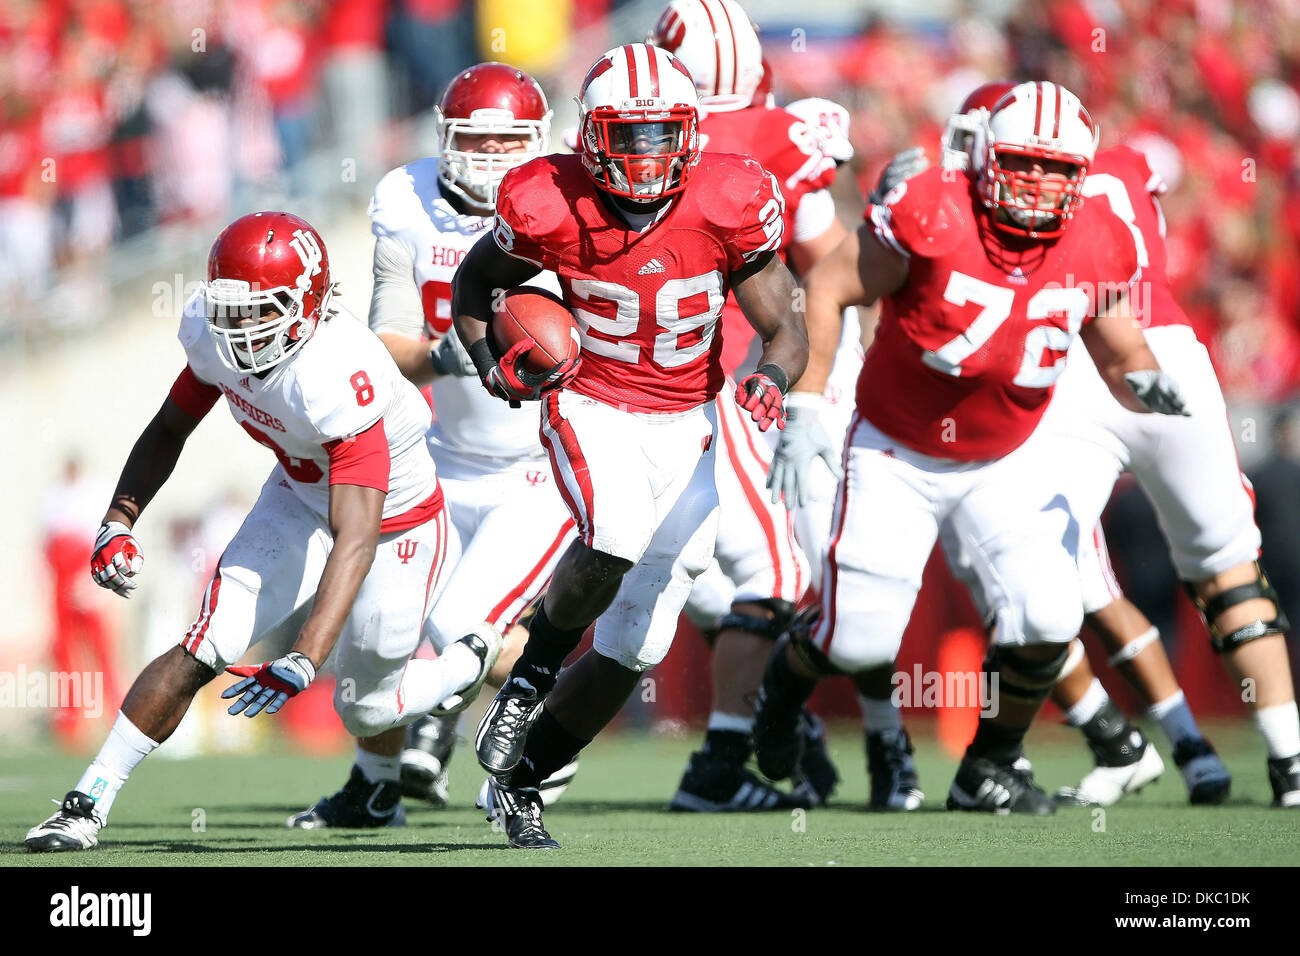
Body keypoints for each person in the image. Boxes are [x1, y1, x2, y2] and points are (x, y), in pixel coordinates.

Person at [757, 81, 1191, 814]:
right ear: (987, 155)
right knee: (857, 640)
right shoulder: (933, 208)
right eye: (1025, 162)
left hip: (1007, 455)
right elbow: (828, 288)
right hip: (897, 448)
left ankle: (987, 765)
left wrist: (1145, 380)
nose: (1040, 182)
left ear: (1081, 179)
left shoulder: (1097, 236)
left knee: (1049, 617)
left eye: (1059, 170)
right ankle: (781, 690)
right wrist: (804, 405)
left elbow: (1118, 348)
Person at [26, 211, 500, 852]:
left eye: (261, 310)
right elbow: (170, 428)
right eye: (231, 309)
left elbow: (355, 534)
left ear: (309, 303)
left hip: (398, 522)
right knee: (207, 641)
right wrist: (119, 519)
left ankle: (461, 665)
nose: (241, 328)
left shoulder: (337, 370)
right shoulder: (213, 334)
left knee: (363, 708)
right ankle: (88, 801)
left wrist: (305, 654)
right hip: (300, 496)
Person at [457, 43, 809, 848]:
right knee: (611, 533)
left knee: (637, 646)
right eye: (629, 135)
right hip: (592, 399)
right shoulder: (547, 198)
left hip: (689, 421)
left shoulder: (730, 195)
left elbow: (787, 320)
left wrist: (774, 379)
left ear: (691, 131)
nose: (647, 156)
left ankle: (520, 781)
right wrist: (488, 363)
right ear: (591, 135)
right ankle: (527, 682)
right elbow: (476, 286)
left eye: (662, 135)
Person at [937, 83, 1299, 808]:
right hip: (1167, 355)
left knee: (1041, 575)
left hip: (1068, 361)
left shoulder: (980, 192)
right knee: (1226, 569)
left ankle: (1017, 757)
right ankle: (1287, 762)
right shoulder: (1126, 165)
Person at [360, 62, 578, 816]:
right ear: (445, 139)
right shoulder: (405, 199)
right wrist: (442, 355)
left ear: (538, 143)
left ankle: (542, 741)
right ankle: (381, 778)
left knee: (460, 623)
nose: (490, 158)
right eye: (475, 141)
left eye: (506, 142)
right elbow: (383, 339)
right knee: (384, 616)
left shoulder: (571, 201)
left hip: (539, 463)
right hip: (447, 455)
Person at [648, 0, 843, 813]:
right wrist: (816, 389)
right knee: (784, 571)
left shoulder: (646, 132)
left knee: (681, 572)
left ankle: (759, 736)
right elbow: (830, 267)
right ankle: (729, 760)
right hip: (743, 372)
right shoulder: (785, 137)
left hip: (646, 380)